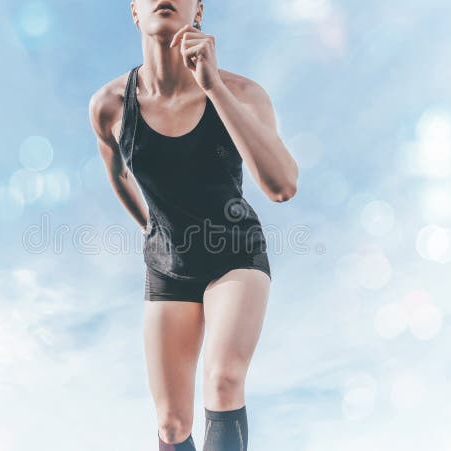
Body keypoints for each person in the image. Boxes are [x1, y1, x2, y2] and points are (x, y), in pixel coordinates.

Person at [88, 1, 298, 449]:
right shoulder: (108, 106)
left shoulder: (242, 93)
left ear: (198, 11)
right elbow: (119, 178)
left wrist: (214, 86)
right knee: (170, 424)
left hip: (235, 254)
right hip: (168, 266)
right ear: (134, 13)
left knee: (222, 380)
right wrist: (152, 229)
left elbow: (282, 186)